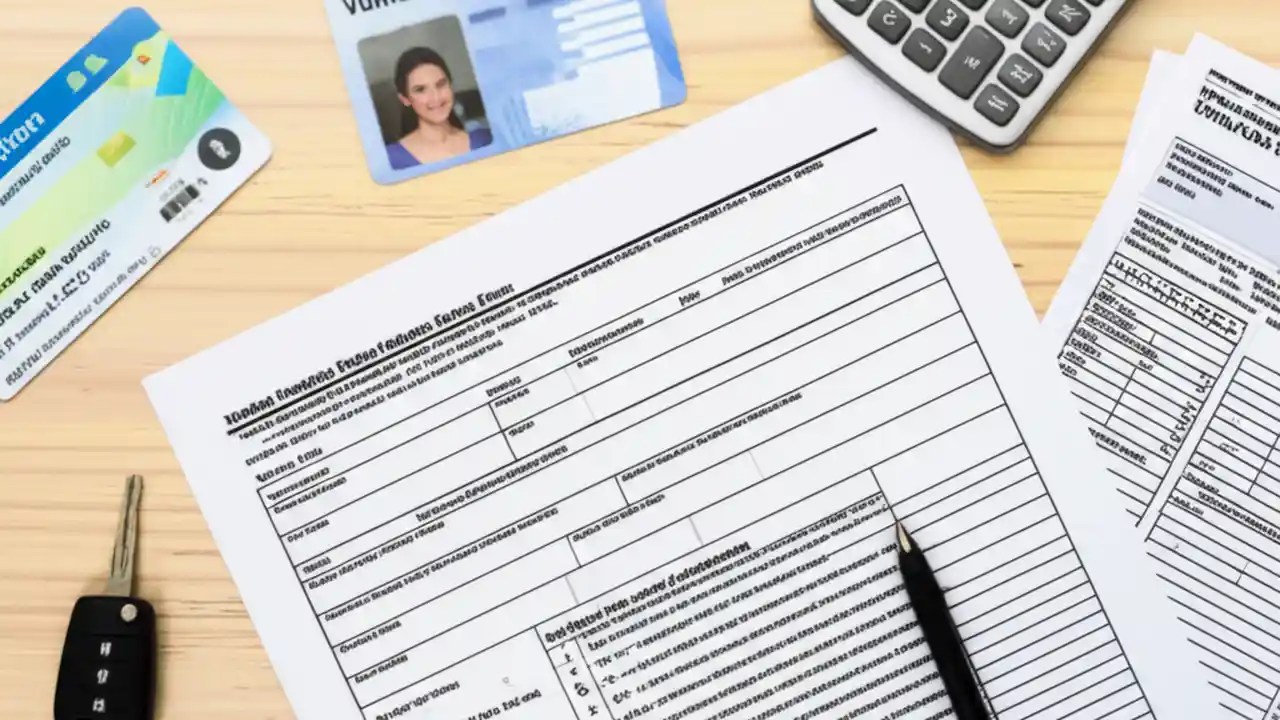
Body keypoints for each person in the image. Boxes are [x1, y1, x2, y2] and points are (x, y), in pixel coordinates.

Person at [385, 47, 491, 169]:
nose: (435, 97)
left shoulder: (485, 140)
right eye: (420, 90)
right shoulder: (391, 159)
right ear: (405, 99)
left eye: (441, 84)